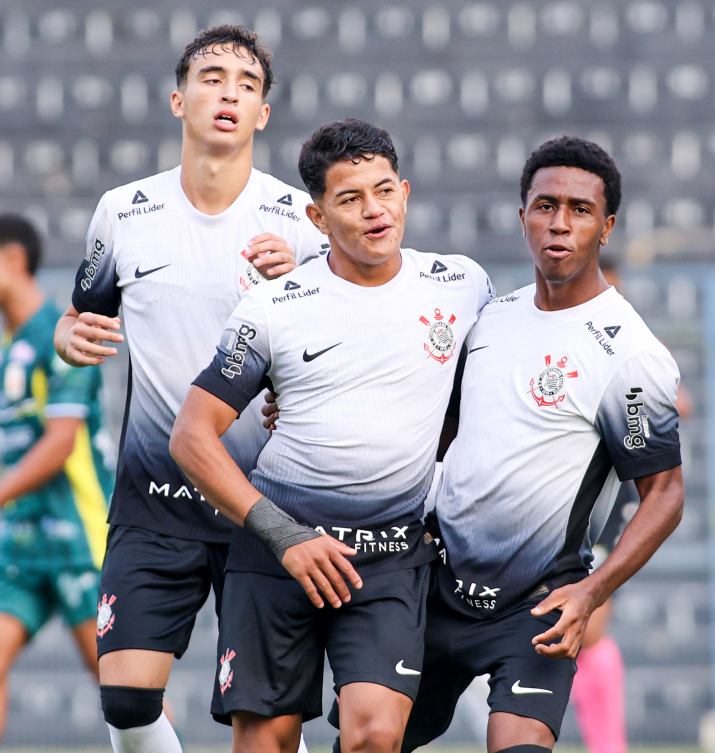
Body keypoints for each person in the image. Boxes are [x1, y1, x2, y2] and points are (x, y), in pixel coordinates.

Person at [169, 119, 493, 753]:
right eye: (350, 199)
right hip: (278, 552)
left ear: (405, 192)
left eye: (384, 191)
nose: (374, 211)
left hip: (389, 552)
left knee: (376, 735)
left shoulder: (462, 285)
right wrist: (285, 537)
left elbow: (488, 390)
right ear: (317, 218)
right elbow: (191, 437)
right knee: (266, 743)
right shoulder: (273, 307)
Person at [53, 25, 326, 753]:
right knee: (125, 700)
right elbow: (78, 317)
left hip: (263, 502)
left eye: (247, 83)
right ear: (179, 100)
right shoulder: (123, 211)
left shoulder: (301, 221)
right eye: (212, 78)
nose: (229, 92)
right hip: (154, 498)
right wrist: (67, 338)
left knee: (266, 720)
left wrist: (301, 285)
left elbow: (342, 342)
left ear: (263, 113)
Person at [391, 136, 686, 753]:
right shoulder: (490, 318)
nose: (559, 223)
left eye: (580, 210)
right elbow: (439, 437)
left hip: (537, 604)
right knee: (370, 740)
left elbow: (664, 493)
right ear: (522, 215)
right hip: (437, 587)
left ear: (606, 227)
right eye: (545, 206)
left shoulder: (630, 355)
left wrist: (592, 591)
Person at [0, 214, 113, 753]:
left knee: (119, 685)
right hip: (21, 536)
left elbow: (60, 444)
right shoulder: (5, 346)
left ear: (14, 261)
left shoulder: (62, 338)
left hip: (79, 536)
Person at [569, 256, 694, 753]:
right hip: (561, 499)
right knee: (578, 629)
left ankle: (606, 744)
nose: (609, 299)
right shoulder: (557, 337)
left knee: (591, 627)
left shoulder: (635, 343)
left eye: (615, 290)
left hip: (609, 502)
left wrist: (628, 403)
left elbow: (680, 402)